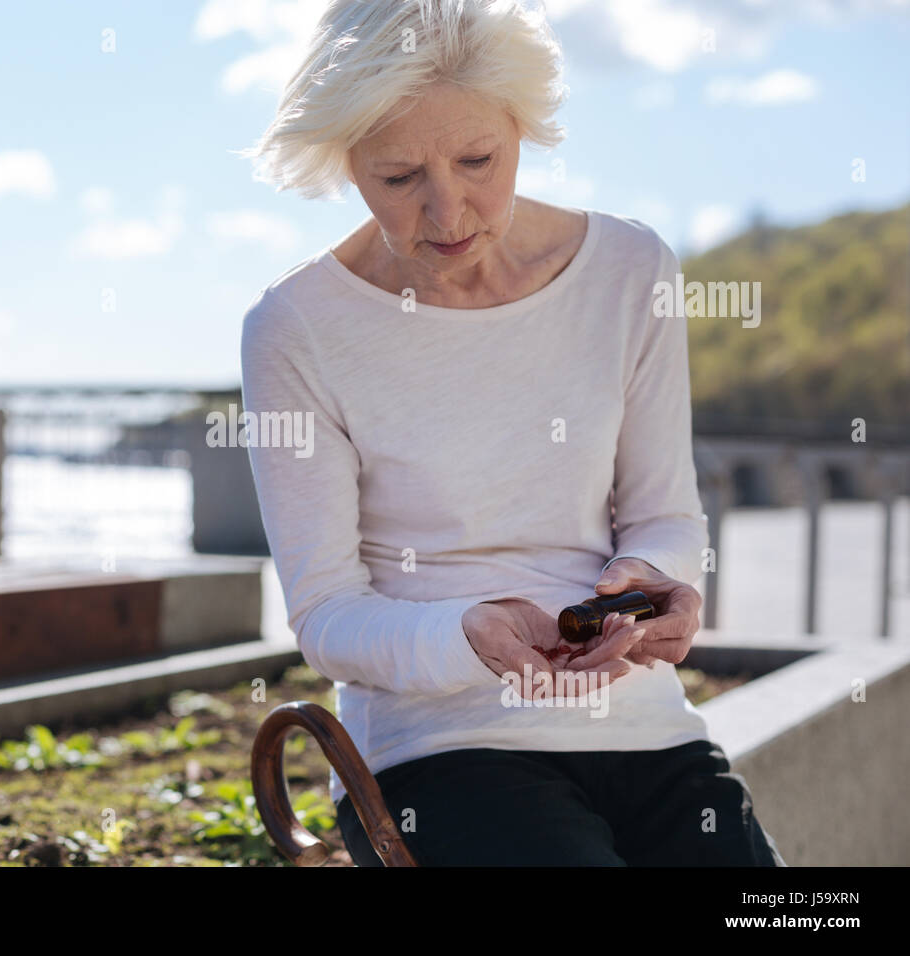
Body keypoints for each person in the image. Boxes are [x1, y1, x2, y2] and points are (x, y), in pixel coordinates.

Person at [238, 0, 783, 866]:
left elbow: (664, 518)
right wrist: (466, 635)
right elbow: (326, 614)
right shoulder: (295, 327)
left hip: (647, 730)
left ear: (522, 126)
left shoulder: (631, 271)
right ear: (343, 160)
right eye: (398, 176)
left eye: (477, 160)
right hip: (435, 752)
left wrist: (657, 582)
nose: (447, 211)